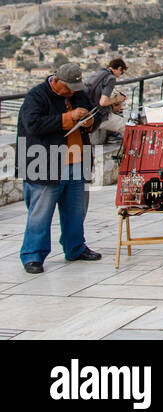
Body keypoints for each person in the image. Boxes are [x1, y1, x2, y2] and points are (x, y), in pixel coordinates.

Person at [16, 63, 102, 273]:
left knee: (76, 210)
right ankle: (33, 256)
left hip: (77, 160)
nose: (72, 92)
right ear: (56, 81)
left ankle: (76, 247)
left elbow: (96, 115)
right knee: (40, 213)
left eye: (74, 88)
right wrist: (67, 118)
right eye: (68, 88)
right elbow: (33, 125)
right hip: (46, 161)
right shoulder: (37, 96)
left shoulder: (78, 94)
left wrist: (89, 121)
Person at [85, 57, 129, 148]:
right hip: (99, 115)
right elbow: (103, 102)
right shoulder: (111, 78)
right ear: (119, 68)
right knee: (127, 126)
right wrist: (117, 99)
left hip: (88, 112)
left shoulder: (99, 73)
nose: (120, 75)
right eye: (122, 72)